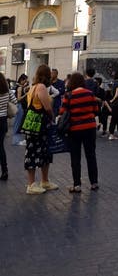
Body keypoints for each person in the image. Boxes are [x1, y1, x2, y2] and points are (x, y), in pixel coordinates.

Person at [59, 72, 99, 193]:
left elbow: (62, 112)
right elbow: (96, 110)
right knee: (91, 155)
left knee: (75, 157)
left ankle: (77, 184)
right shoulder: (90, 94)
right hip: (90, 128)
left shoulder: (69, 95)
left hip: (75, 129)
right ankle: (94, 182)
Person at [22, 64, 57, 195]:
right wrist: (53, 117)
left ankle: (44, 181)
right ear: (47, 75)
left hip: (32, 125)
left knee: (42, 152)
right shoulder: (41, 87)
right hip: (39, 126)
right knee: (36, 152)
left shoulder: (32, 87)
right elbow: (47, 108)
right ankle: (32, 184)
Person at [0, 72, 17, 180]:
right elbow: (15, 101)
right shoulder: (8, 92)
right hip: (3, 121)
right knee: (1, 147)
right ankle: (5, 170)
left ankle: (5, 171)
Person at [12, 73, 29, 146]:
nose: (25, 82)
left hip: (19, 106)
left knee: (17, 123)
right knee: (18, 123)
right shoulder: (19, 87)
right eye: (25, 81)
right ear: (22, 80)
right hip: (19, 106)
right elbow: (19, 99)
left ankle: (16, 140)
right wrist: (26, 94)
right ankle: (16, 141)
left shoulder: (19, 86)